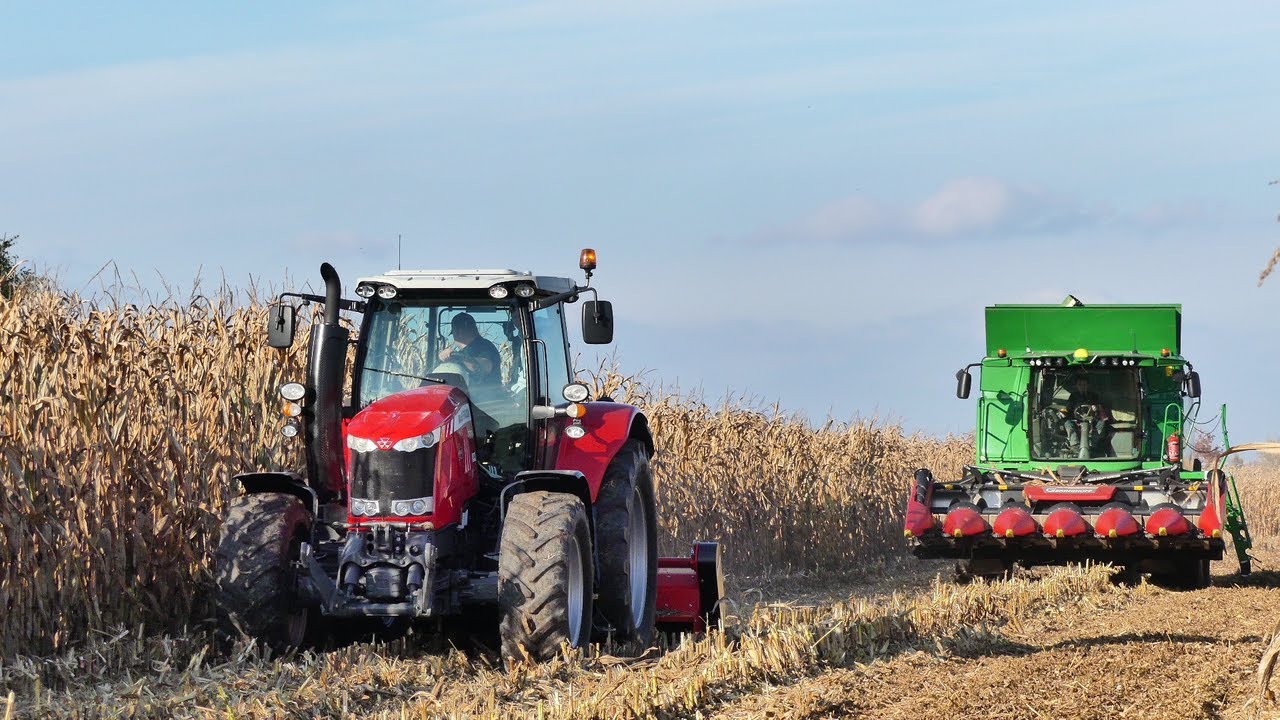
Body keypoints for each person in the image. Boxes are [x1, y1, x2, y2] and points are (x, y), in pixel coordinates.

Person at [437, 312, 502, 386]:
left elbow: (486, 366)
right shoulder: (463, 352)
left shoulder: (484, 346)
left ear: (458, 332)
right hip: (466, 395)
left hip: (488, 396)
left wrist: (456, 357)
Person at [1060, 374, 1111, 456]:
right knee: (1068, 423)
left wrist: (1096, 407)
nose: (1082, 386)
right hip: (1077, 422)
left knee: (1102, 423)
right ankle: (1075, 446)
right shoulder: (1073, 396)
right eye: (1080, 385)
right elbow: (1068, 408)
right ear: (1077, 385)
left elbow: (1100, 407)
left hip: (1092, 422)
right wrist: (1063, 413)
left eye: (1084, 384)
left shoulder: (1094, 396)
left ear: (1087, 385)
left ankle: (1093, 444)